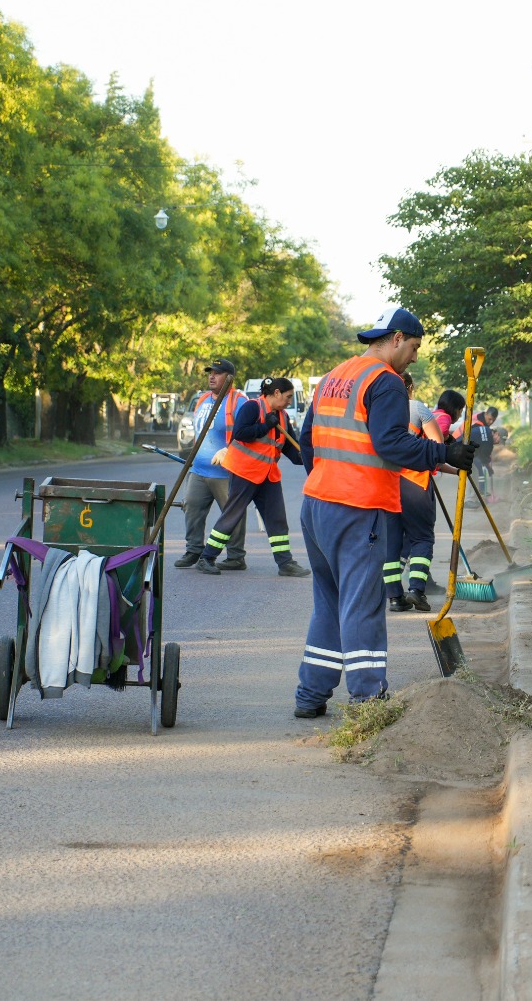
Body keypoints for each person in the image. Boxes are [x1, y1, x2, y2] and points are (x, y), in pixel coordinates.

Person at [292, 307, 477, 719]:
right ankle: (368, 699)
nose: (414, 357)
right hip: (358, 508)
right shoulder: (387, 383)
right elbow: (392, 444)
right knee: (363, 603)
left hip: (317, 505)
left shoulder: (334, 377)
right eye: (413, 347)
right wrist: (444, 452)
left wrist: (327, 478)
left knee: (329, 602)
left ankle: (310, 696)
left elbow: (307, 442)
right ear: (395, 339)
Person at [193, 378, 311, 578]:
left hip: (268, 476)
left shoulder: (282, 417)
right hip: (244, 473)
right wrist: (265, 426)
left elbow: (290, 448)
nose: (290, 402)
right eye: (288, 397)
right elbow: (240, 434)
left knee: (277, 519)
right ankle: (207, 558)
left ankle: (285, 563)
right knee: (232, 516)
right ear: (276, 393)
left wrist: (309, 460)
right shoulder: (252, 407)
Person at [174, 358, 249, 570]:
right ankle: (193, 550)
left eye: (217, 373)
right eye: (210, 372)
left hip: (226, 472)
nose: (211, 376)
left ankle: (235, 556)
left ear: (230, 377)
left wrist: (229, 450)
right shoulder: (203, 400)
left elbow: (247, 435)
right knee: (191, 507)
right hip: (199, 469)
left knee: (232, 514)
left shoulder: (239, 402)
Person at [386, 371, 442, 612]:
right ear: (408, 387)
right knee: (421, 537)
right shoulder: (417, 408)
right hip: (415, 482)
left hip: (385, 483)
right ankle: (417, 590)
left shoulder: (377, 411)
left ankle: (394, 598)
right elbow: (438, 449)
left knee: (392, 542)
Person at [471, 405, 496, 500]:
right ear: (485, 414)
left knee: (479, 468)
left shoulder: (483, 424)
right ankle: (472, 499)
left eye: (493, 420)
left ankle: (478, 493)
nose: (490, 422)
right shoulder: (478, 424)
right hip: (461, 446)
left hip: (471, 449)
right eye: (489, 419)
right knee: (476, 470)